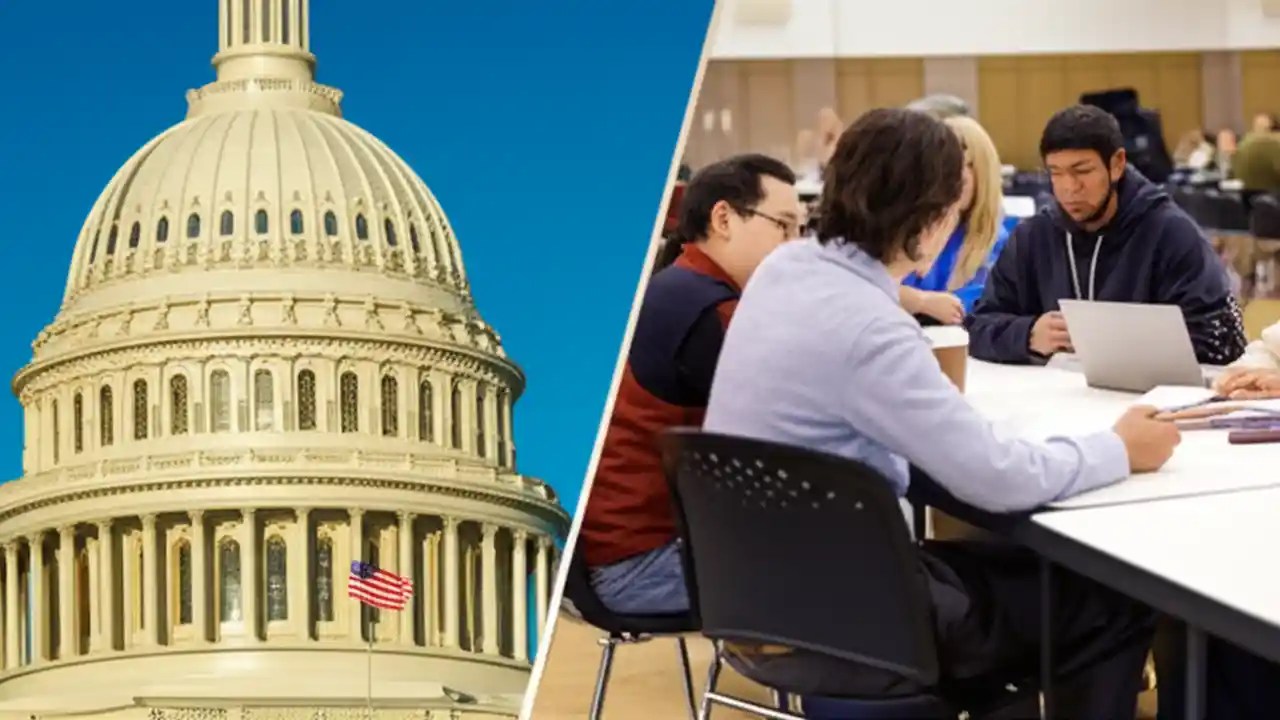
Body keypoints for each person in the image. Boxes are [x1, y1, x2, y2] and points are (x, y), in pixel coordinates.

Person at [703, 107, 1176, 717]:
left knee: (1020, 575)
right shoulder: (870, 331)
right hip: (856, 619)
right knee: (1111, 598)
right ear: (928, 218)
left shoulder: (783, 273)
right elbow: (999, 477)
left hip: (761, 597)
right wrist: (1119, 448)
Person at [580, 153, 801, 614]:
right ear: (724, 218)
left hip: (608, 556)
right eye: (783, 225)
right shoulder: (712, 314)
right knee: (856, 567)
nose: (794, 244)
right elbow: (796, 426)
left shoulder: (675, 285)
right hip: (642, 566)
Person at [966, 104, 1246, 366]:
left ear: (1117, 164)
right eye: (1056, 173)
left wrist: (1119, 347)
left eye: (1082, 171)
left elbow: (1221, 340)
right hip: (1057, 402)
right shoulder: (1034, 237)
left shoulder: (1170, 234)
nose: (1069, 188)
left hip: (1148, 402)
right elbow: (978, 325)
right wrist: (1027, 335)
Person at [900, 115, 1011, 324]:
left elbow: (959, 310)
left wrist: (908, 299)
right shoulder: (904, 229)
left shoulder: (999, 241)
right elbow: (870, 291)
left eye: (968, 165)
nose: (957, 176)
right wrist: (921, 301)